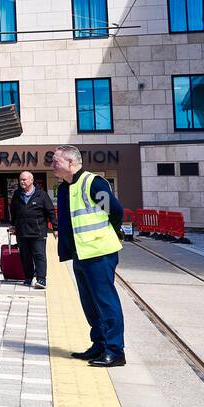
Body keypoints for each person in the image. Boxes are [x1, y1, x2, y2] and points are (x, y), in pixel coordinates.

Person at [51, 145, 126, 367]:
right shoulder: (65, 188)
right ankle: (99, 345)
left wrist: (106, 234)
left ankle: (115, 350)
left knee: (105, 301)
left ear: (71, 163)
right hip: (80, 254)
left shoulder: (93, 183)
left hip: (99, 252)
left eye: (56, 161)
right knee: (90, 303)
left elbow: (115, 211)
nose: (53, 165)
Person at [5, 170, 56, 290]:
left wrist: (55, 227)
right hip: (22, 231)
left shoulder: (41, 195)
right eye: (20, 179)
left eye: (24, 179)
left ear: (31, 180)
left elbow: (50, 212)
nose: (22, 182)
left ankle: (41, 279)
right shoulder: (17, 194)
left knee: (39, 255)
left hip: (38, 231)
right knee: (25, 256)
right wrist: (12, 225)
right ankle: (28, 277)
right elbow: (13, 212)